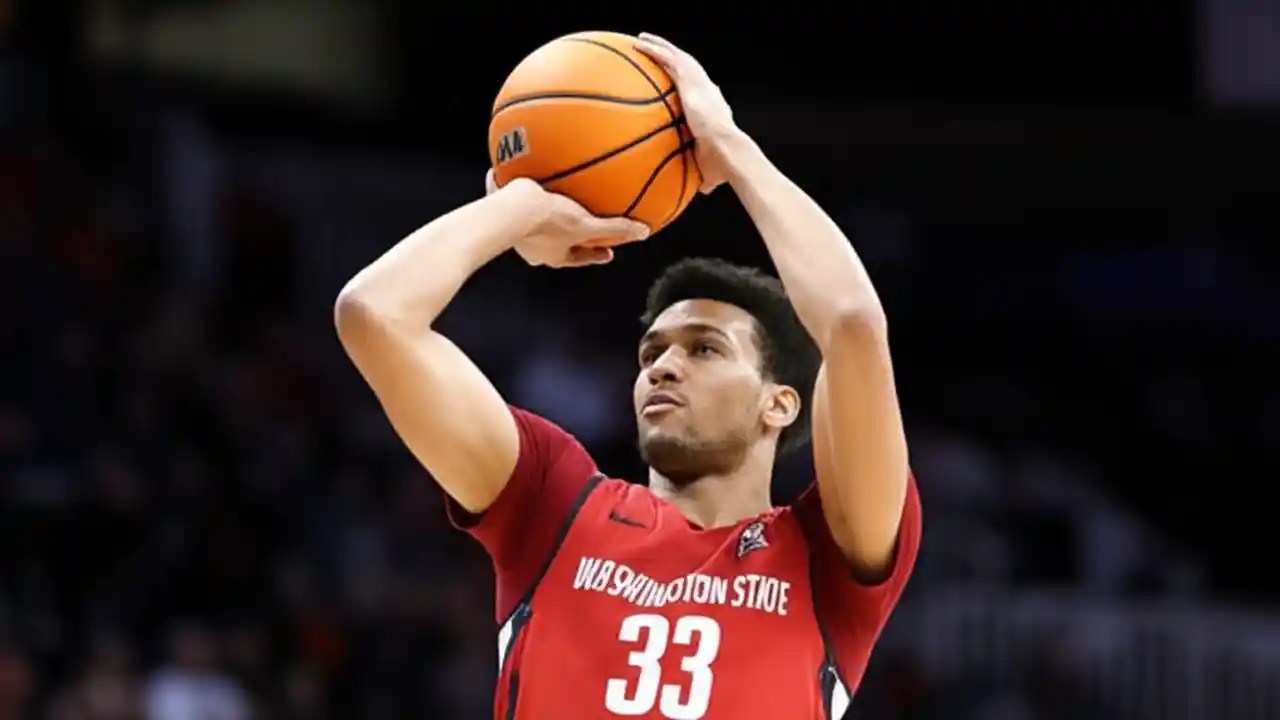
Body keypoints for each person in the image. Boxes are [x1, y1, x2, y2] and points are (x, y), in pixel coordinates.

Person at [335, 32, 921, 720]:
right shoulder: (553, 504)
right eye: (651, 353)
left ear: (779, 403)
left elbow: (852, 325)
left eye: (704, 349)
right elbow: (374, 314)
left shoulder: (826, 556)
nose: (664, 365)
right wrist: (522, 206)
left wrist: (730, 149)